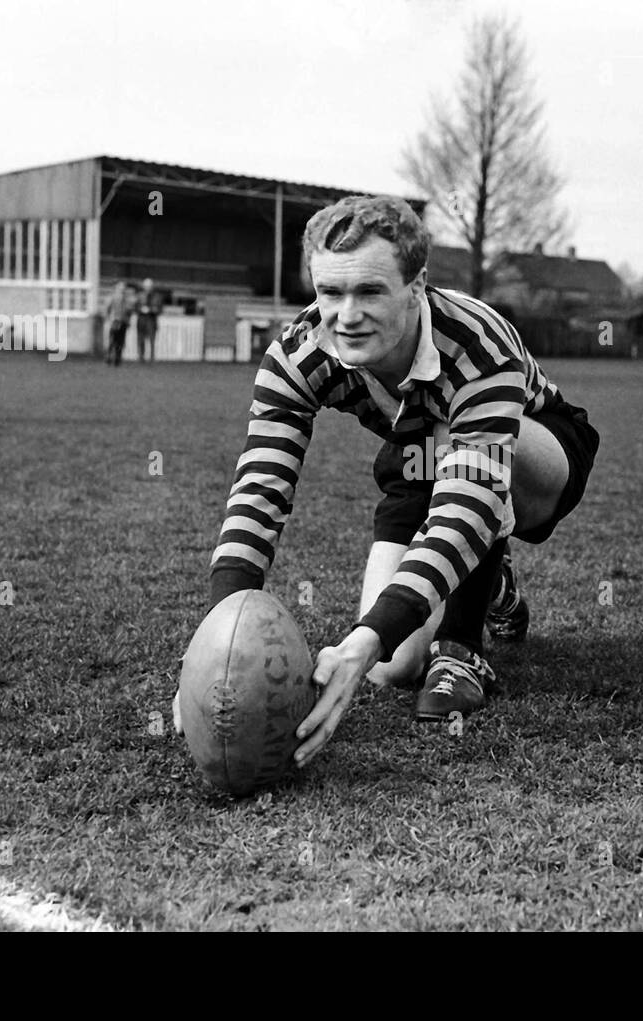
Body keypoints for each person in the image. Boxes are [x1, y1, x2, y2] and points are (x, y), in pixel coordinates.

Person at [180, 195, 600, 768]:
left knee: (461, 464)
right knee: (390, 667)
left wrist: (368, 635)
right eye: (330, 292)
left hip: (529, 450)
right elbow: (260, 486)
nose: (346, 314)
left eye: (370, 291)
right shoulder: (299, 355)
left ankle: (464, 647)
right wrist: (215, 639)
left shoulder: (477, 342)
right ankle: (497, 589)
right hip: (417, 458)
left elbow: (470, 500)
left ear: (417, 284)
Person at [104, 281, 132, 366]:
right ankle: (109, 357)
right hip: (115, 321)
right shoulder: (112, 298)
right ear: (116, 288)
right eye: (120, 288)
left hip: (123, 322)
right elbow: (107, 309)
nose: (122, 290)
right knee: (112, 340)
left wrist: (128, 320)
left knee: (121, 341)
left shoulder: (126, 299)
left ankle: (118, 358)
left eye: (123, 288)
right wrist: (109, 318)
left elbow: (129, 311)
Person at [135, 277, 162, 363]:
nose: (148, 287)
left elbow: (160, 309)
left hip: (152, 320)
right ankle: (141, 357)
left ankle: (152, 357)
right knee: (141, 339)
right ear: (143, 286)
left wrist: (151, 310)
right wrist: (141, 309)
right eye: (146, 286)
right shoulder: (139, 296)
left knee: (152, 340)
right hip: (141, 320)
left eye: (149, 286)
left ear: (152, 287)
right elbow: (135, 308)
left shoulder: (157, 297)